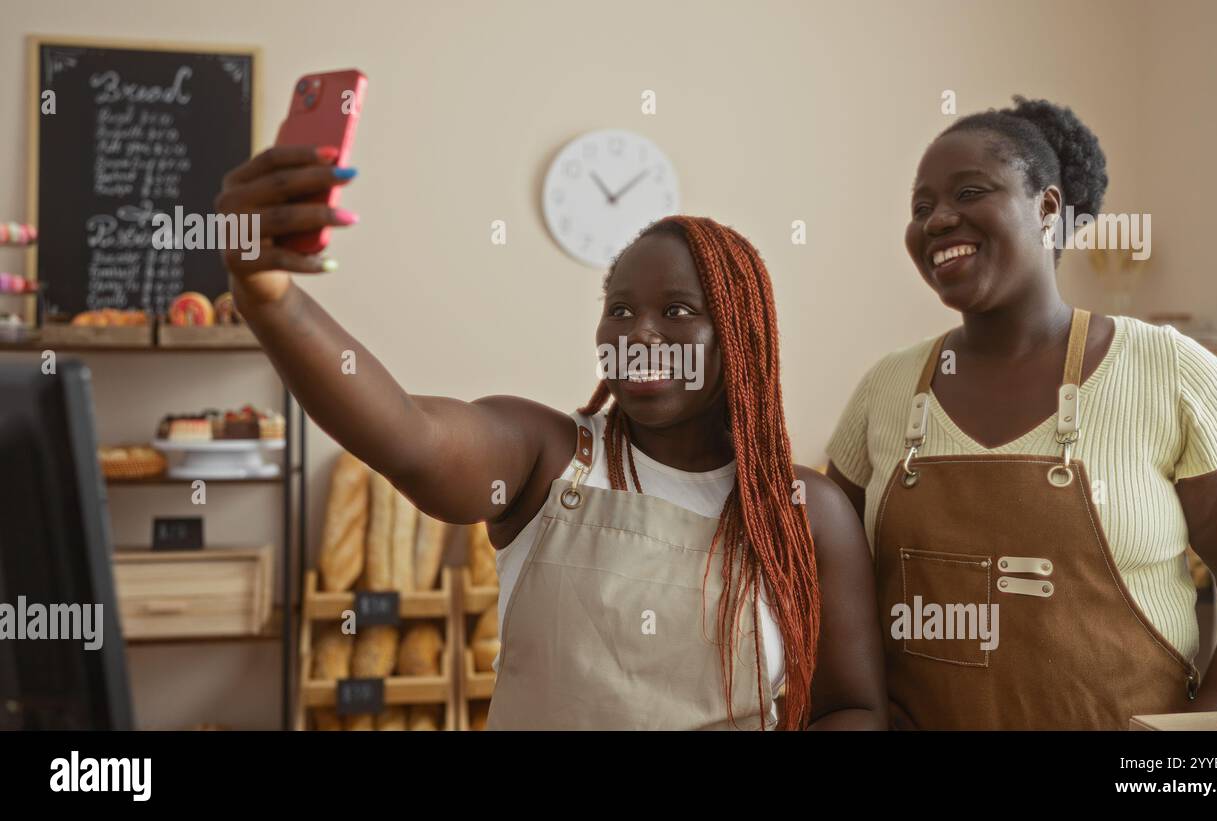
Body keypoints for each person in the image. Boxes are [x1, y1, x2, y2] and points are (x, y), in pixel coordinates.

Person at [215, 149, 886, 729]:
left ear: (745, 337)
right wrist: (269, 295)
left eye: (677, 311)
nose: (637, 334)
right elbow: (409, 438)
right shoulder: (546, 457)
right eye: (619, 309)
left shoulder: (807, 511)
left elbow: (849, 707)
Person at [825, 96, 1217, 730]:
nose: (938, 220)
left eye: (969, 192)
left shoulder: (1171, 372)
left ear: (1049, 209)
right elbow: (823, 596)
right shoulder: (884, 391)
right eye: (920, 207)